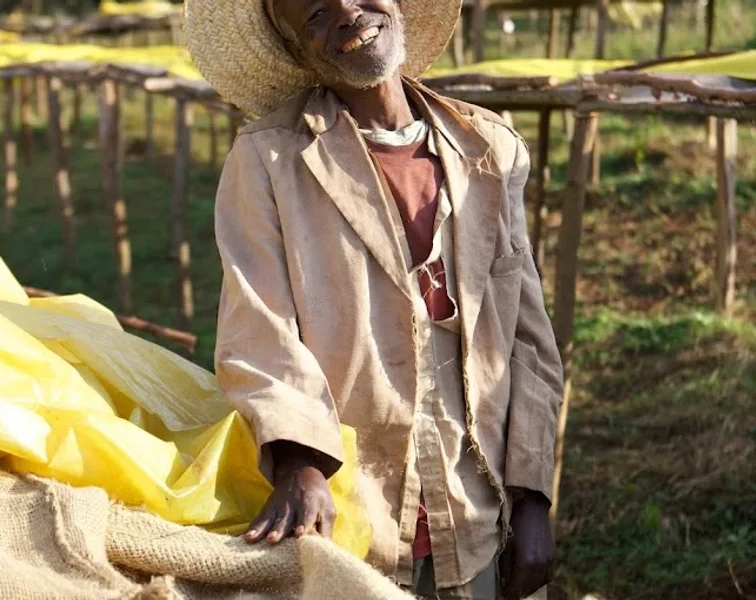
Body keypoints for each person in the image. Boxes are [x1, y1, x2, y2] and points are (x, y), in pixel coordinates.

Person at [184, 0, 564, 598]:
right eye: (312, 12)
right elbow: (258, 327)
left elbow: (528, 338)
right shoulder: (268, 159)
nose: (345, 12)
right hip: (352, 517)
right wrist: (298, 460)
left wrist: (534, 497)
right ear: (292, 45)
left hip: (480, 512)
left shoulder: (489, 149)